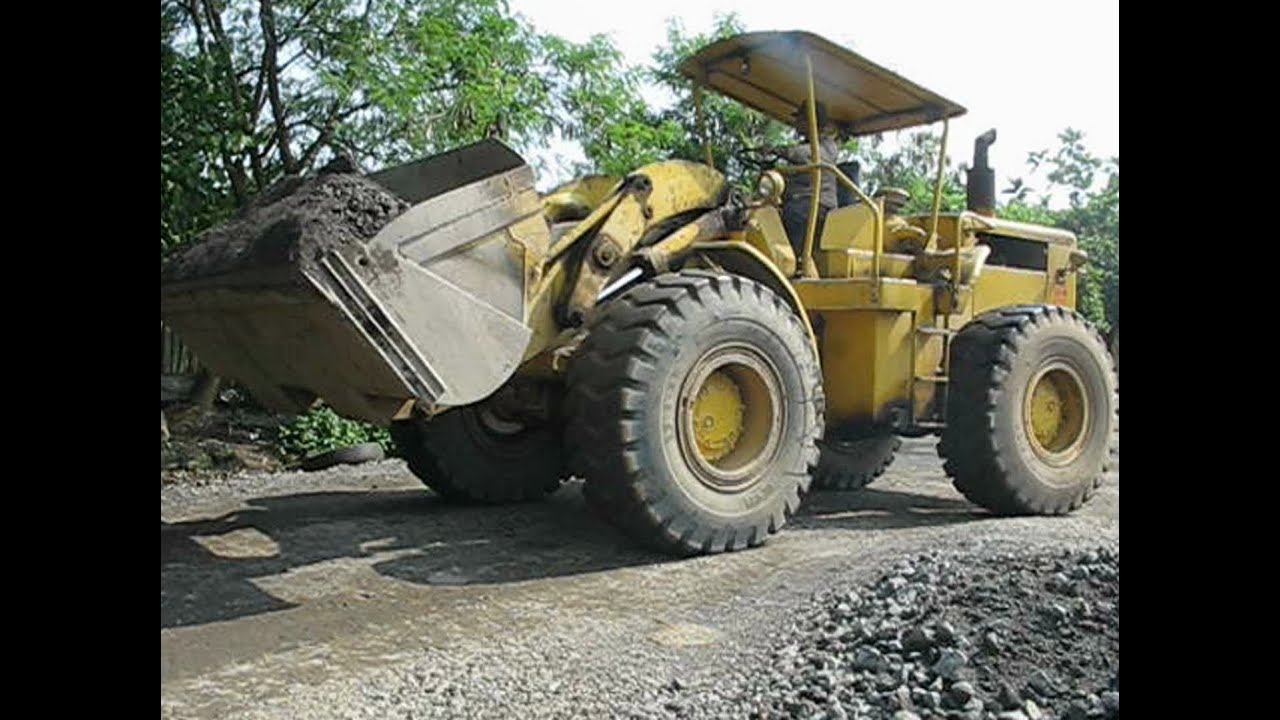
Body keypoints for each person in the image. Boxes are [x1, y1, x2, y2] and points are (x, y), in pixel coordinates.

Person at [772, 103, 842, 258]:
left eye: (800, 119)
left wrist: (780, 150)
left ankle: (793, 263)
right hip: (801, 199)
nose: (796, 123)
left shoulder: (828, 146)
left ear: (812, 120)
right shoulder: (806, 144)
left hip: (818, 203)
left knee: (793, 214)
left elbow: (808, 155)